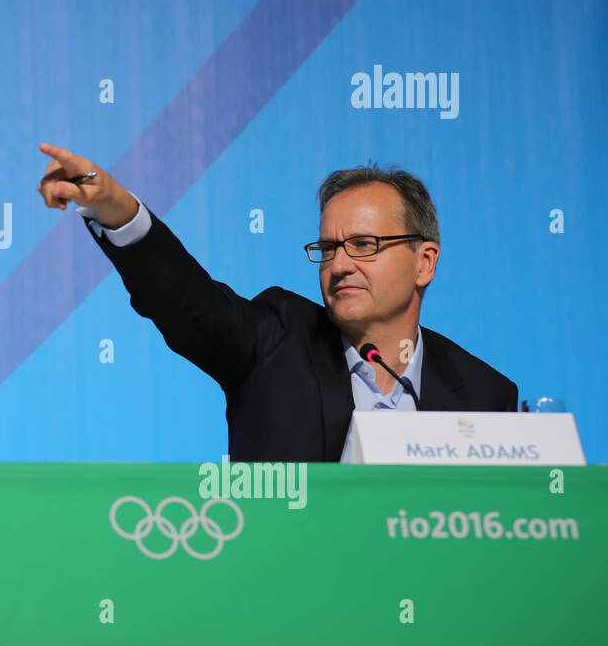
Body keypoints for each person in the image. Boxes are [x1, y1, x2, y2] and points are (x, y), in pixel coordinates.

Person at [37, 143, 518, 461]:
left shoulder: (483, 396)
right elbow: (183, 300)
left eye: (364, 245)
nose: (340, 264)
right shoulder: (273, 341)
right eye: (328, 249)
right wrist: (115, 209)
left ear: (424, 263)